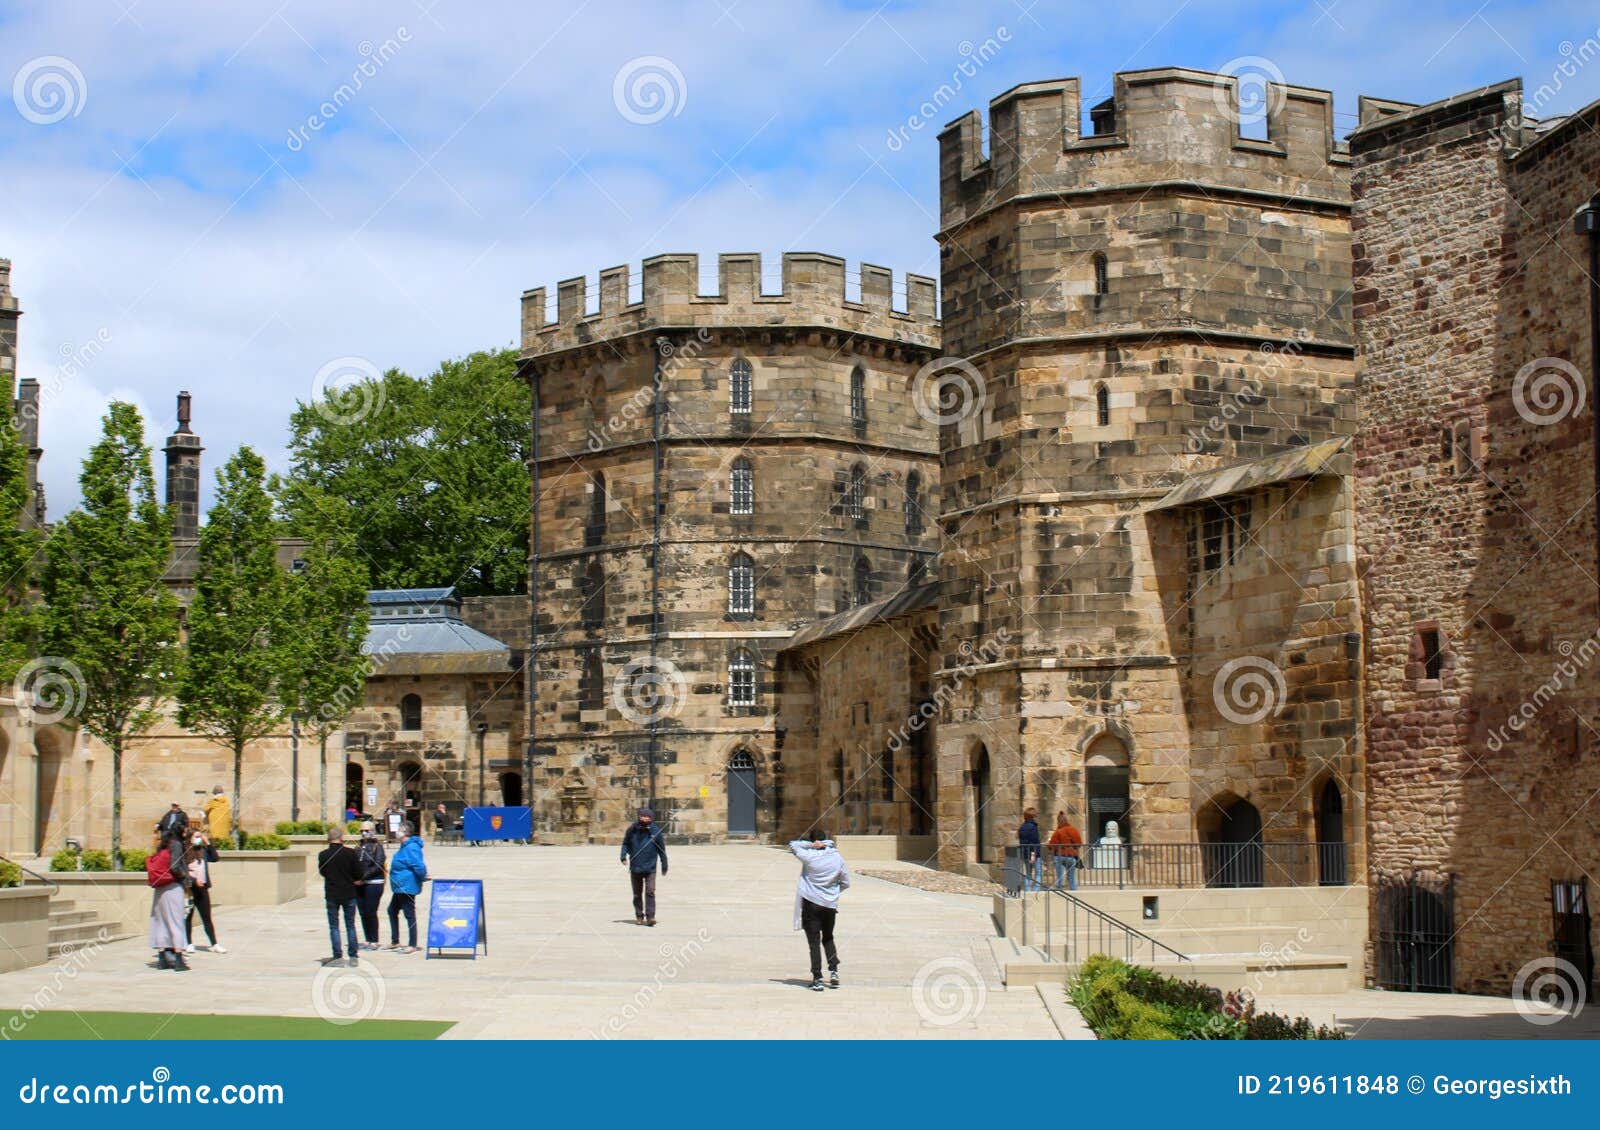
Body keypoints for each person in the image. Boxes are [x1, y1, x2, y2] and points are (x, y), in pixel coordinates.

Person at [790, 829, 850, 991]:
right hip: (829, 905)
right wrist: (832, 893)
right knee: (828, 938)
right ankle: (834, 971)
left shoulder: (809, 857)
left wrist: (811, 845)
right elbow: (846, 882)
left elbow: (793, 845)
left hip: (811, 904)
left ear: (813, 841)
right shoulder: (837, 857)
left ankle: (817, 978)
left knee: (814, 942)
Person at [317, 825, 364, 967]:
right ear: (341, 838)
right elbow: (358, 873)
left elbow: (322, 872)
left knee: (334, 926)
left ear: (329, 839)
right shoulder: (350, 853)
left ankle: (337, 956)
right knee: (350, 924)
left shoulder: (323, 855)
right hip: (349, 892)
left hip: (332, 893)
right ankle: (353, 955)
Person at [147, 827, 190, 972]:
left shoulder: (161, 848)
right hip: (172, 887)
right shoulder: (176, 845)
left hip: (160, 888)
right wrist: (185, 877)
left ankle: (162, 959)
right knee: (176, 922)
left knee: (160, 924)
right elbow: (175, 866)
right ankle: (178, 959)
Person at [619, 808, 668, 926]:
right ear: (639, 817)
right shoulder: (632, 830)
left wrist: (664, 863)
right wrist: (623, 856)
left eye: (648, 817)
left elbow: (661, 849)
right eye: (643, 816)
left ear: (651, 818)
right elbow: (625, 843)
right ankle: (639, 916)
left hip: (650, 867)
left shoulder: (656, 831)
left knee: (650, 891)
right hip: (636, 867)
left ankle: (650, 917)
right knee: (637, 893)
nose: (645, 818)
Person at [386, 822, 428, 953]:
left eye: (399, 829)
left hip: (407, 886)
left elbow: (418, 865)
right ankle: (395, 941)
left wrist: (423, 876)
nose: (396, 831)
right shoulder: (404, 846)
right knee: (392, 910)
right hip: (399, 886)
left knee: (409, 914)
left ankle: (412, 943)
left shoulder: (412, 847)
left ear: (405, 832)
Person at [183, 827, 225, 954]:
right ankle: (188, 943)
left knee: (206, 917)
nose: (198, 839)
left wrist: (208, 843)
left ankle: (214, 943)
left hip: (203, 889)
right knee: (188, 917)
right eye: (196, 837)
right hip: (190, 889)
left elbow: (215, 858)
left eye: (200, 836)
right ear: (190, 838)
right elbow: (182, 872)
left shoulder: (203, 851)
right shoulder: (185, 852)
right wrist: (194, 880)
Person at [355, 820, 387, 951]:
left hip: (374, 883)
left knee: (371, 911)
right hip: (359, 884)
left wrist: (364, 877)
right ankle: (367, 938)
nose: (364, 833)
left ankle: (374, 940)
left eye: (366, 830)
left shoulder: (377, 846)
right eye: (362, 831)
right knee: (363, 912)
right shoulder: (358, 846)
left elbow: (378, 864)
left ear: (373, 832)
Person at [1048, 810, 1084, 891]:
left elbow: (1052, 846)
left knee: (1059, 878)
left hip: (1059, 856)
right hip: (1071, 856)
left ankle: (1060, 893)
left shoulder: (1057, 832)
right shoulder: (1073, 830)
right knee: (1071, 878)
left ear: (1058, 822)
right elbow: (1079, 843)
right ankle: (1074, 892)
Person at [1018, 807, 1042, 892]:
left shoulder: (1022, 827)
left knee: (1028, 873)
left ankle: (1027, 890)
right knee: (1038, 872)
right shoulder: (1033, 827)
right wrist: (1034, 854)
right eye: (1035, 815)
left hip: (1025, 853)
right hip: (1033, 853)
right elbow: (1034, 842)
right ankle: (1036, 890)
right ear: (1032, 816)